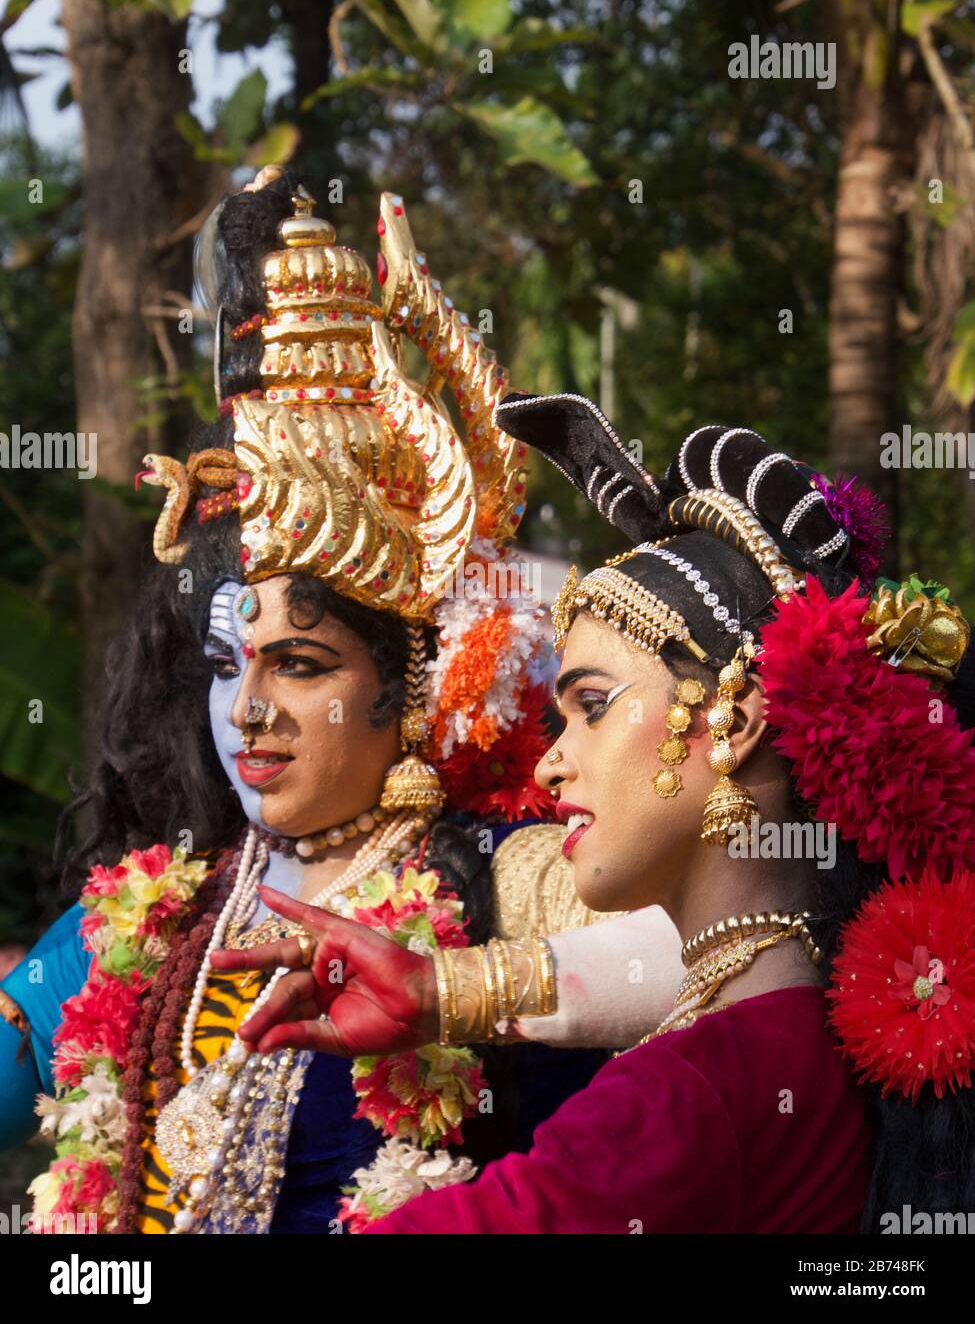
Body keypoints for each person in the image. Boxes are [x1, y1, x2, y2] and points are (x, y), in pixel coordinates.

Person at [0, 173, 683, 1235]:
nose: (249, 709)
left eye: (303, 665)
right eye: (228, 664)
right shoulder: (164, 910)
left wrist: (459, 990)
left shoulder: (505, 877)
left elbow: (724, 957)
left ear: (409, 683)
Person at [214, 402, 975, 1233]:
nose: (550, 762)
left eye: (593, 705)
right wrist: (442, 990)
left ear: (739, 717)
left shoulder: (690, 1094)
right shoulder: (816, 1030)